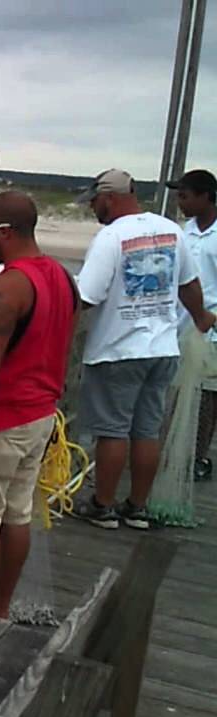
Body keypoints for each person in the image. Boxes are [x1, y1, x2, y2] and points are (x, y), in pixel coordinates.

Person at [72, 169, 216, 530]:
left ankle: (102, 505)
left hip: (118, 350)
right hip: (163, 348)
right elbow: (189, 284)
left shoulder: (111, 237)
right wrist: (200, 318)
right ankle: (136, 506)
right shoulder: (170, 230)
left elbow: (86, 296)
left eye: (94, 201)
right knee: (146, 431)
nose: (92, 208)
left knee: (113, 431)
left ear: (110, 197)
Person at [0, 191, 76, 619]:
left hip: (1, 419)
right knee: (17, 514)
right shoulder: (62, 278)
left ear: (5, 233)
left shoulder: (7, 287)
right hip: (41, 415)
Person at [169, 169, 217, 482]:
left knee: (207, 397)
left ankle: (198, 456)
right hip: (179, 325)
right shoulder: (184, 232)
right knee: (176, 394)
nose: (181, 202)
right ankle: (174, 451)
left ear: (206, 197)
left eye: (185, 196)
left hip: (212, 329)